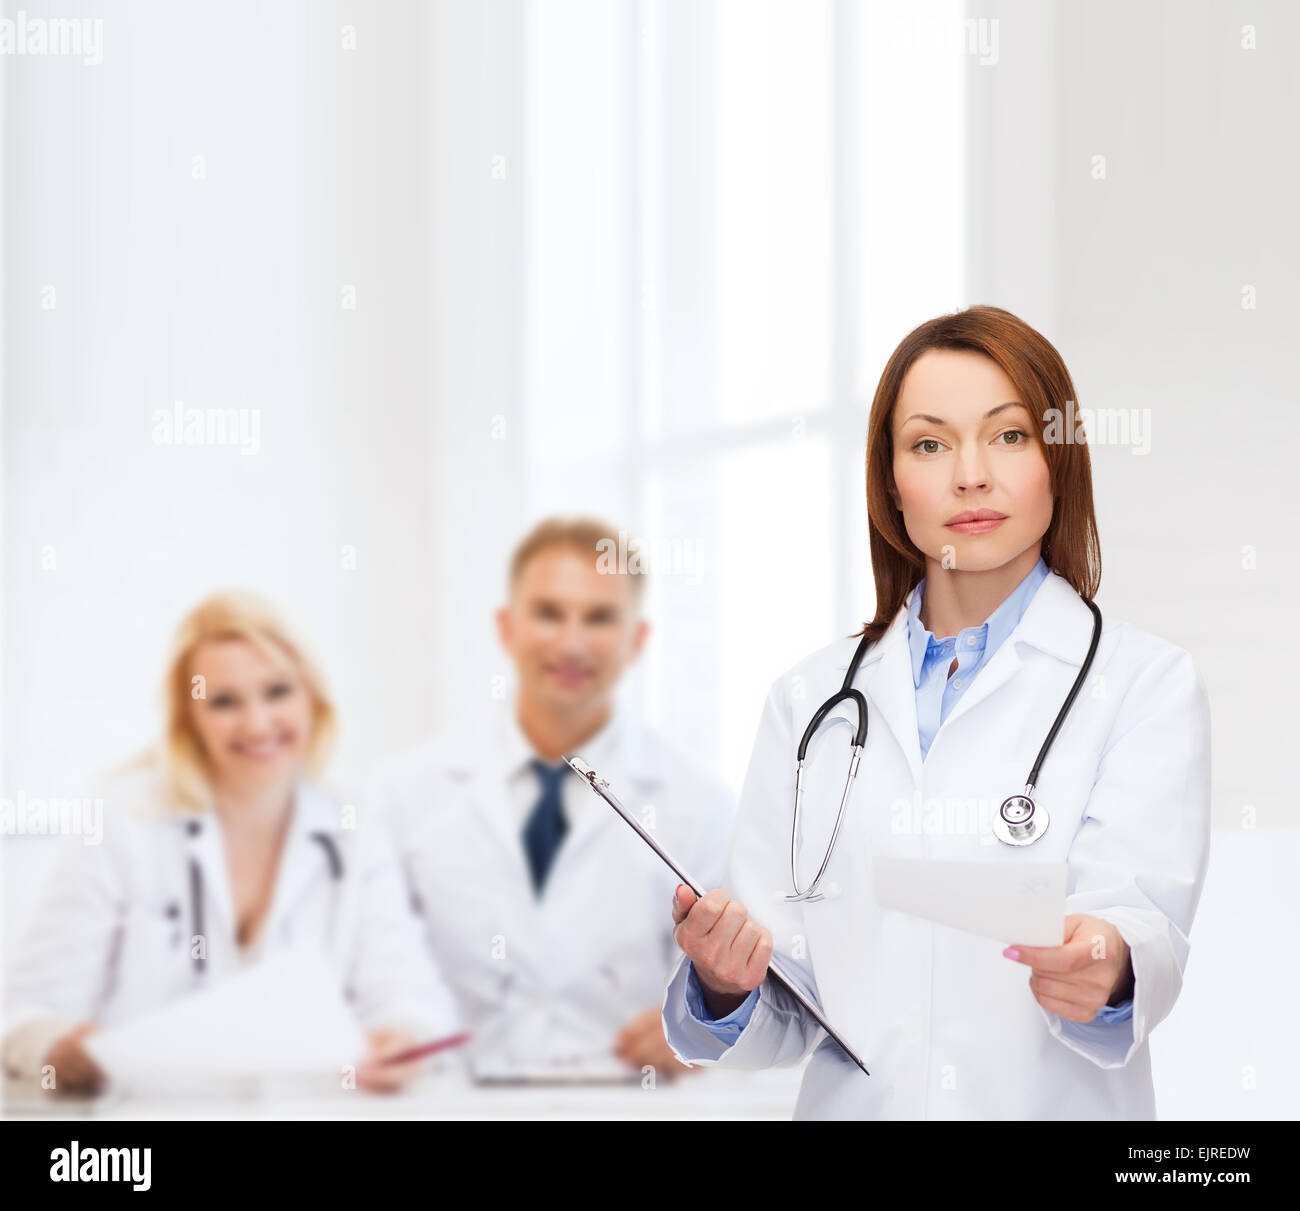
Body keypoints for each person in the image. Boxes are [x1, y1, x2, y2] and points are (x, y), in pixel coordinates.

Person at [664, 305, 1211, 1119]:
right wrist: (723, 980)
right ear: (891, 480)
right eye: (929, 442)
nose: (970, 475)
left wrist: (1111, 965)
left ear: (1057, 460)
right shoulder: (809, 703)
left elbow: (1141, 928)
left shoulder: (1144, 683)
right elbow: (789, 1005)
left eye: (1009, 436)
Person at [2, 592, 458, 1096]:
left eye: (278, 692)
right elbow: (23, 1011)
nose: (257, 723)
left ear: (313, 698)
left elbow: (410, 997)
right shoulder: (121, 826)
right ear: (188, 719)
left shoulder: (354, 830)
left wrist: (400, 1039)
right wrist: (55, 1048)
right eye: (223, 702)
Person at [369, 517, 733, 1076]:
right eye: (548, 614)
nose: (572, 643)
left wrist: (702, 1036)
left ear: (638, 639)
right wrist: (397, 1035)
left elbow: (731, 988)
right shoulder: (404, 794)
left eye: (600, 618)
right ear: (506, 627)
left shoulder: (699, 804)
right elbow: (380, 966)